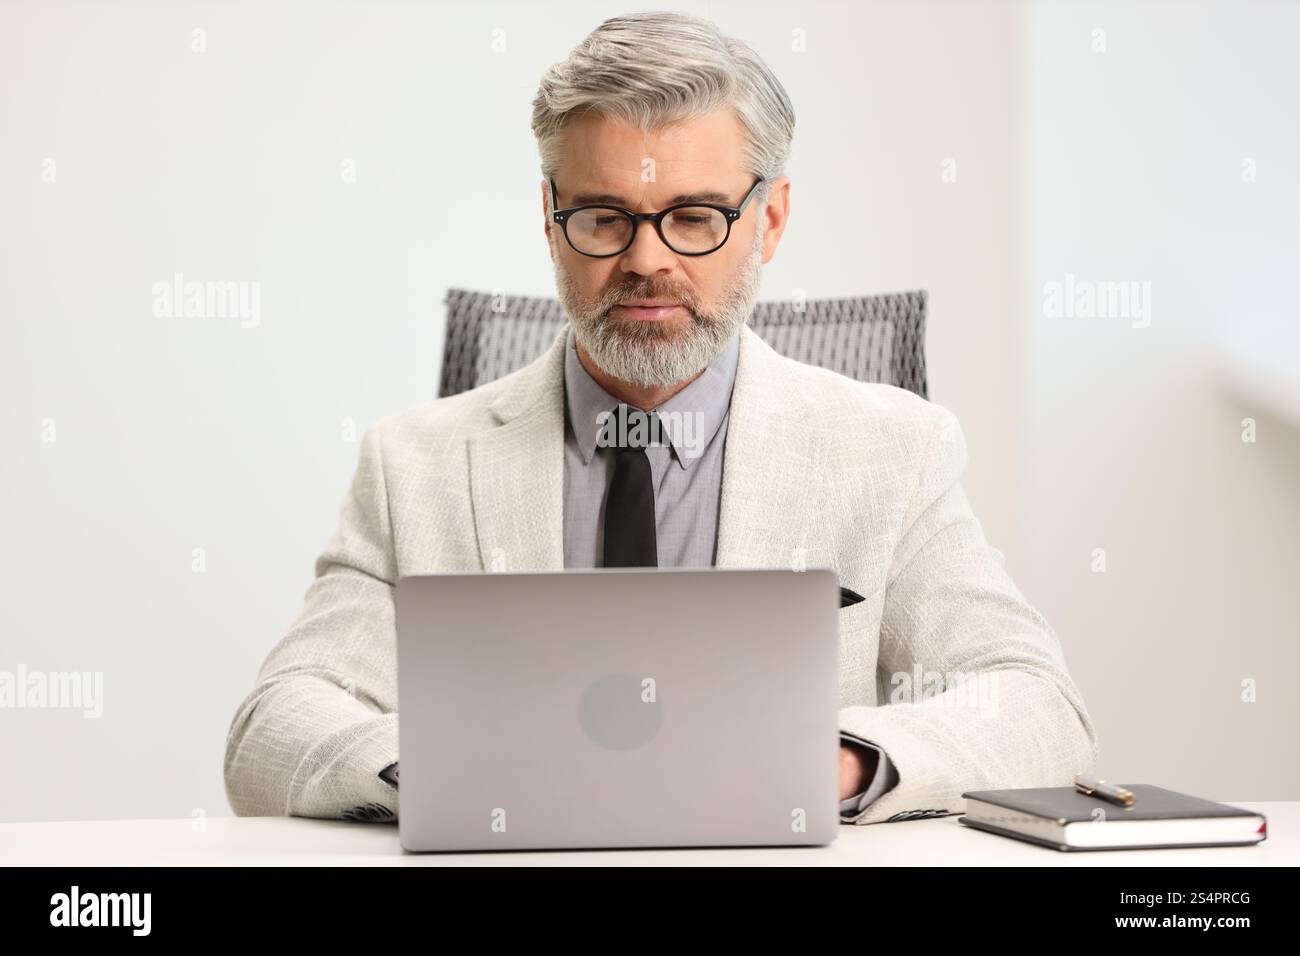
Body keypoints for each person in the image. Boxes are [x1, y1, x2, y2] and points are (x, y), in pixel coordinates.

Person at [224, 11, 1098, 826]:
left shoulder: (893, 454)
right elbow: (275, 724)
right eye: (605, 217)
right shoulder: (410, 464)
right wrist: (451, 768)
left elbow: (1036, 705)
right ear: (550, 220)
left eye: (694, 217)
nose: (648, 260)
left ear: (771, 220)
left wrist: (833, 764)